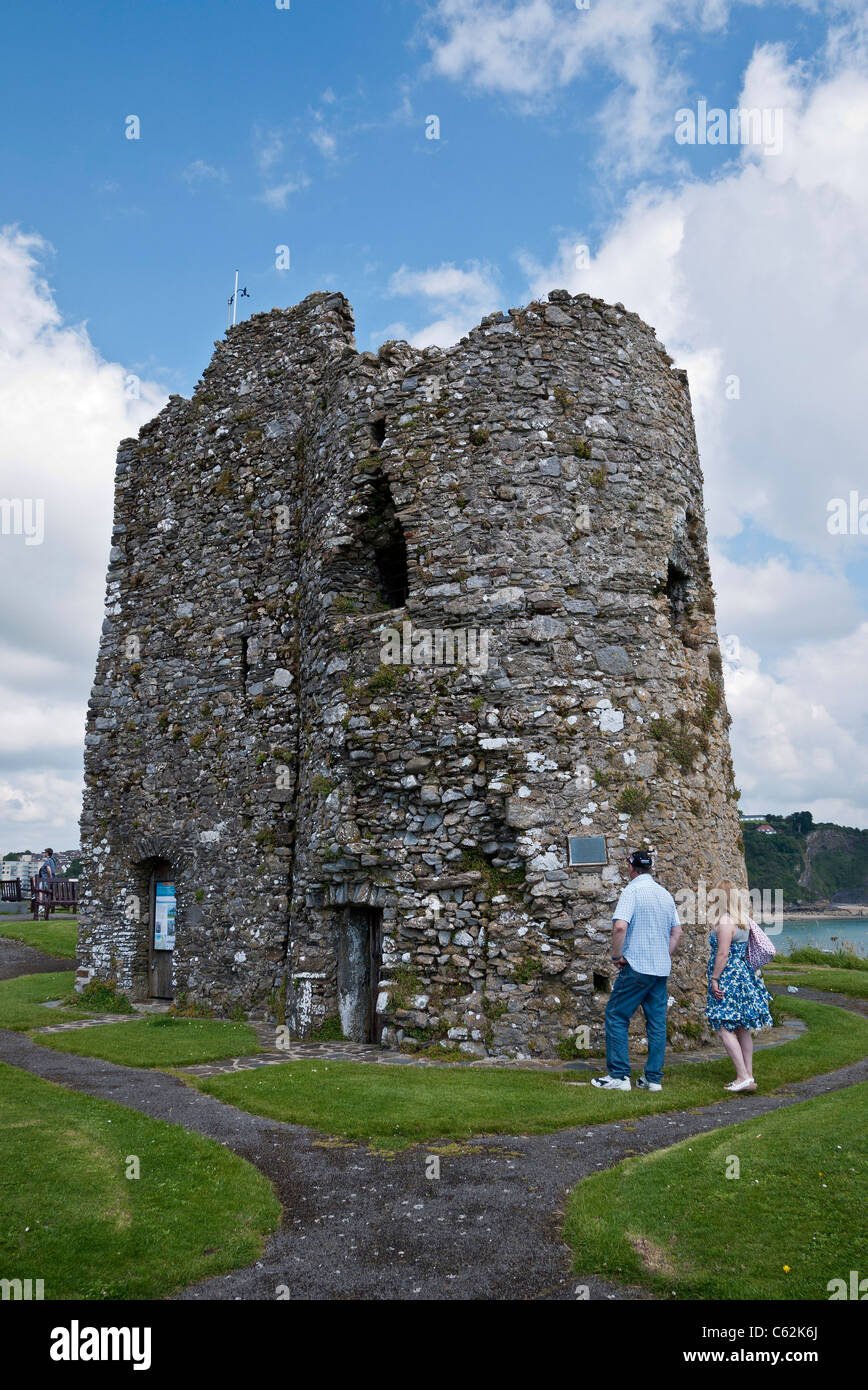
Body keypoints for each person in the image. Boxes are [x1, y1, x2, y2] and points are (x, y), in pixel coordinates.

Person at [592, 850, 682, 1092]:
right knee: (656, 1024)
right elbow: (677, 933)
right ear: (650, 867)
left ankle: (620, 1076)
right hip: (660, 969)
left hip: (637, 966)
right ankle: (653, 1079)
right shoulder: (665, 894)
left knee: (616, 1015)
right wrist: (664, 954)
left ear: (630, 867)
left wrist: (616, 956)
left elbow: (620, 927)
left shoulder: (632, 891)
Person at [707, 879, 773, 1093]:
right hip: (743, 975)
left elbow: (723, 954)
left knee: (724, 1026)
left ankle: (742, 1076)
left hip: (729, 977)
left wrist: (715, 978)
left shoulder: (725, 921)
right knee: (742, 1027)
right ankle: (749, 1076)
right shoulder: (743, 920)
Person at [37, 846, 57, 920]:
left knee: (41, 889)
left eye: (45, 852)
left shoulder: (48, 860)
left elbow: (48, 869)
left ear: (47, 853)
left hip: (46, 880)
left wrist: (50, 878)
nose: (44, 853)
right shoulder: (53, 860)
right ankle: (42, 904)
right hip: (50, 880)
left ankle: (41, 905)